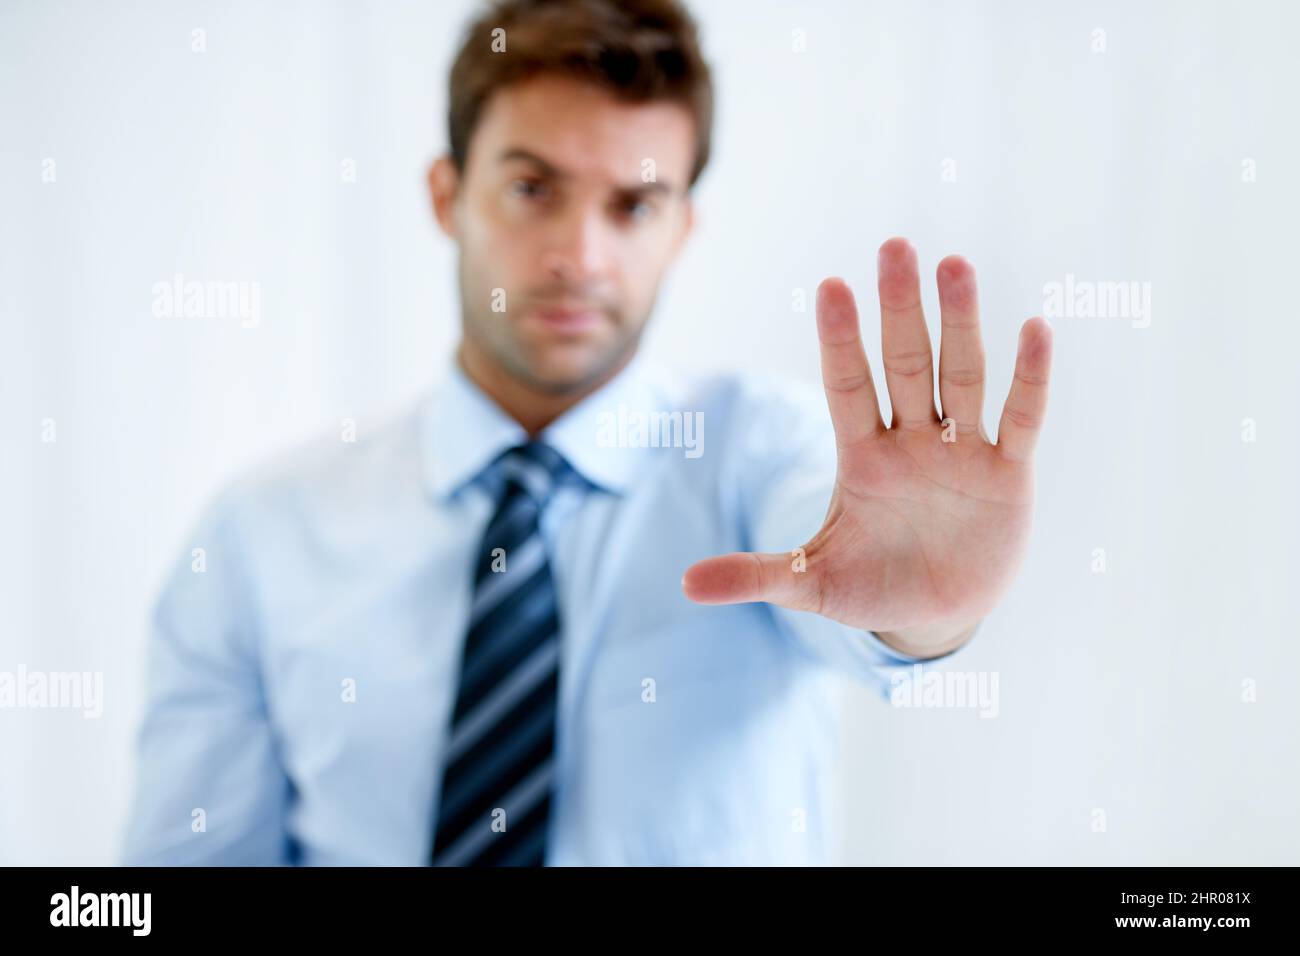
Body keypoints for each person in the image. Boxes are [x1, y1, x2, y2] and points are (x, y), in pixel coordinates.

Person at [122, 0, 1052, 866]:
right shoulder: (260, 534)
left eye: (634, 205)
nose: (580, 256)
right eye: (534, 188)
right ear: (446, 195)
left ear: (683, 228)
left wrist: (925, 612)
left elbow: (841, 556)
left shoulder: (758, 456)